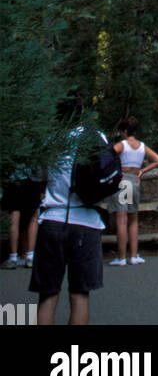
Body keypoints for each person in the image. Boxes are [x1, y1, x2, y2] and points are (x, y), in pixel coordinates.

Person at [29, 93, 106, 326]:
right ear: (81, 114)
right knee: (80, 295)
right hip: (87, 222)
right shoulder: (96, 138)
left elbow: (37, 176)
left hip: (52, 220)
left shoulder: (50, 142)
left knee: (48, 294)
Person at [108, 116, 158, 266]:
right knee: (133, 220)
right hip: (134, 181)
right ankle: (133, 255)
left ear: (124, 131)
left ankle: (121, 257)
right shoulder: (142, 146)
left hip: (122, 181)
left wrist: (117, 169)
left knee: (121, 220)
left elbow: (108, 155)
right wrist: (142, 170)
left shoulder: (122, 145)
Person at [1, 170, 42, 268]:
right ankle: (30, 256)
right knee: (33, 216)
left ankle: (13, 257)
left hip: (14, 178)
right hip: (32, 179)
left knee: (14, 215)